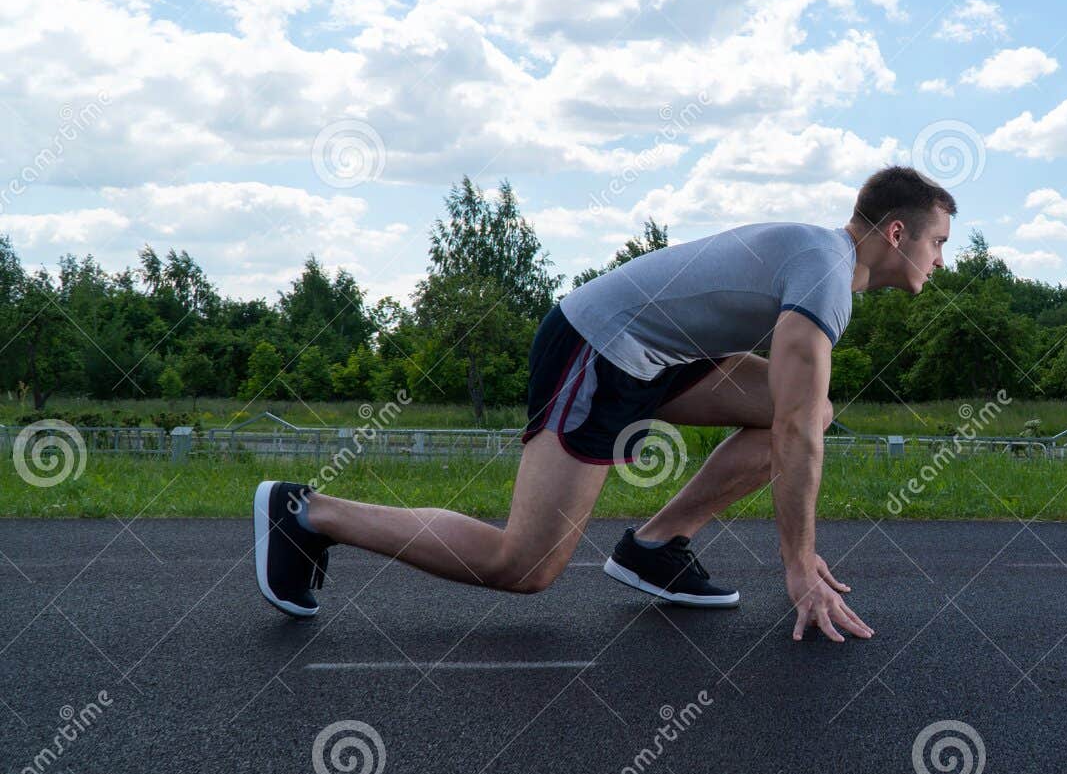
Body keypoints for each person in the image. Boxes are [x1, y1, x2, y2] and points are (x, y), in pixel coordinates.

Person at [252, 166, 955, 642]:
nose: (942, 260)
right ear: (898, 233)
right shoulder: (827, 271)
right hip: (595, 345)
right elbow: (795, 432)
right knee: (522, 564)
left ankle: (655, 544)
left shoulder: (823, 263)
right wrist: (799, 565)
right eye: (939, 242)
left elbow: (801, 414)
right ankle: (306, 512)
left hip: (658, 357)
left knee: (815, 406)